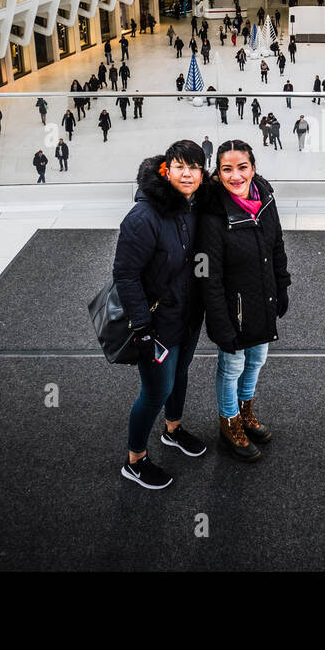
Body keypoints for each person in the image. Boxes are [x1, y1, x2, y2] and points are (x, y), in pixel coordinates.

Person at [114, 142, 208, 488]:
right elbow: (125, 275)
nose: (187, 174)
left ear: (202, 173)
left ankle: (172, 429)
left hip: (186, 316)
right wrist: (140, 326)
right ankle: (134, 460)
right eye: (180, 166)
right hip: (154, 325)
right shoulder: (144, 216)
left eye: (195, 167)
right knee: (155, 391)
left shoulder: (194, 206)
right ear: (166, 170)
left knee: (180, 374)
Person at [194, 140, 290, 462]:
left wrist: (283, 285)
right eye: (226, 169)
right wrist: (220, 323)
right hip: (232, 309)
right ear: (217, 173)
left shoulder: (265, 198)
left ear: (253, 167)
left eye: (242, 167)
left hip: (261, 300)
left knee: (257, 360)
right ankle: (230, 422)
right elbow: (207, 273)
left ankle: (246, 412)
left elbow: (276, 243)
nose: (235, 176)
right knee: (232, 365)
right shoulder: (213, 214)